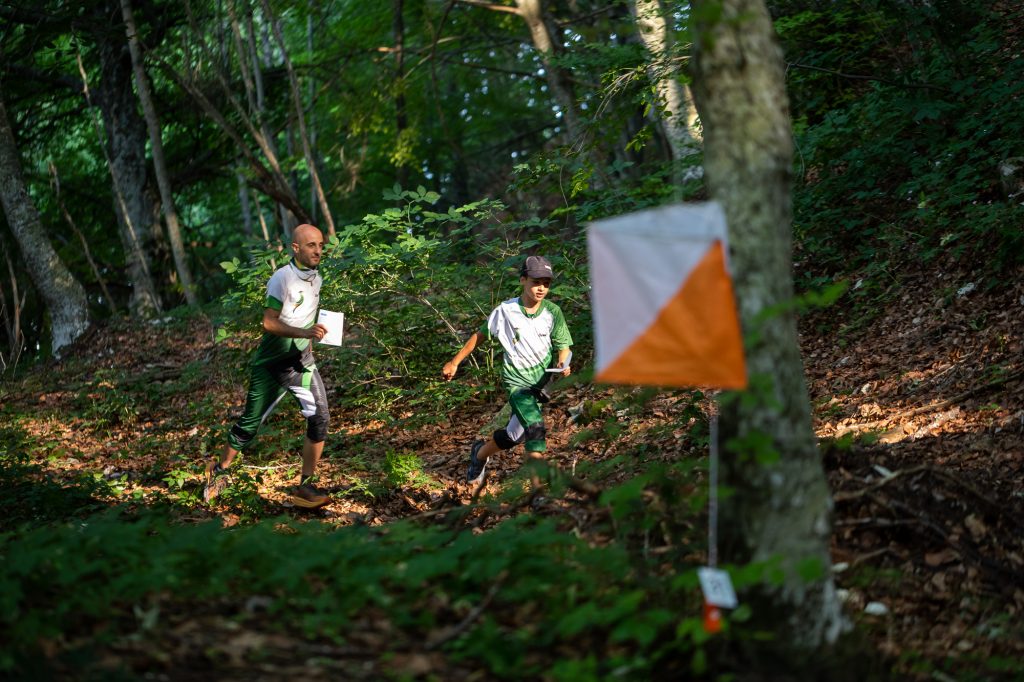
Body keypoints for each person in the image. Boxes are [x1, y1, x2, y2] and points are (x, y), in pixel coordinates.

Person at [204, 223, 332, 509]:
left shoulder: (316, 278)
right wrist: (303, 334)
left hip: (301, 361)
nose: (318, 251)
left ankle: (305, 487)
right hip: (272, 364)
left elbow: (304, 316)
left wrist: (314, 335)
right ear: (295, 248)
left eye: (321, 245)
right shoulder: (281, 279)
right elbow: (269, 322)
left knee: (320, 417)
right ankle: (219, 470)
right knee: (250, 425)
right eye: (311, 245)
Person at [442, 255, 573, 487]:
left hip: (541, 383)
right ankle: (537, 492)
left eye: (546, 283)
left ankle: (480, 454)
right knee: (535, 428)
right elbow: (479, 336)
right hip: (517, 382)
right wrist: (455, 362)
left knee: (514, 436)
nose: (541, 288)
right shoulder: (505, 310)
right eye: (536, 282)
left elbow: (564, 346)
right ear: (523, 280)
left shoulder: (553, 312)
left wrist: (564, 362)